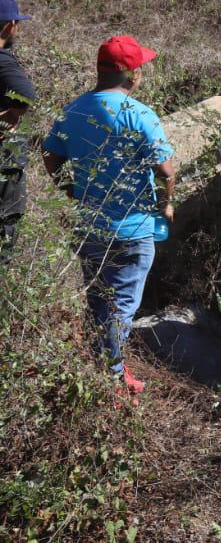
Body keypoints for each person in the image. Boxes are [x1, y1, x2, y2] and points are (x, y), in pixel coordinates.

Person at [43, 36, 176, 394]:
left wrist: (71, 191)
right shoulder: (139, 114)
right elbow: (165, 170)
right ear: (130, 73)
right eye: (140, 67)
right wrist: (168, 203)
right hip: (131, 230)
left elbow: (50, 158)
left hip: (90, 228)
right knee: (121, 309)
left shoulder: (72, 110)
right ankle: (111, 380)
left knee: (100, 302)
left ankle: (102, 369)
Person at [0, 0, 35, 265]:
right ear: (9, 25)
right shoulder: (3, 60)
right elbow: (26, 95)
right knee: (5, 221)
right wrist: (11, 114)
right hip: (4, 159)